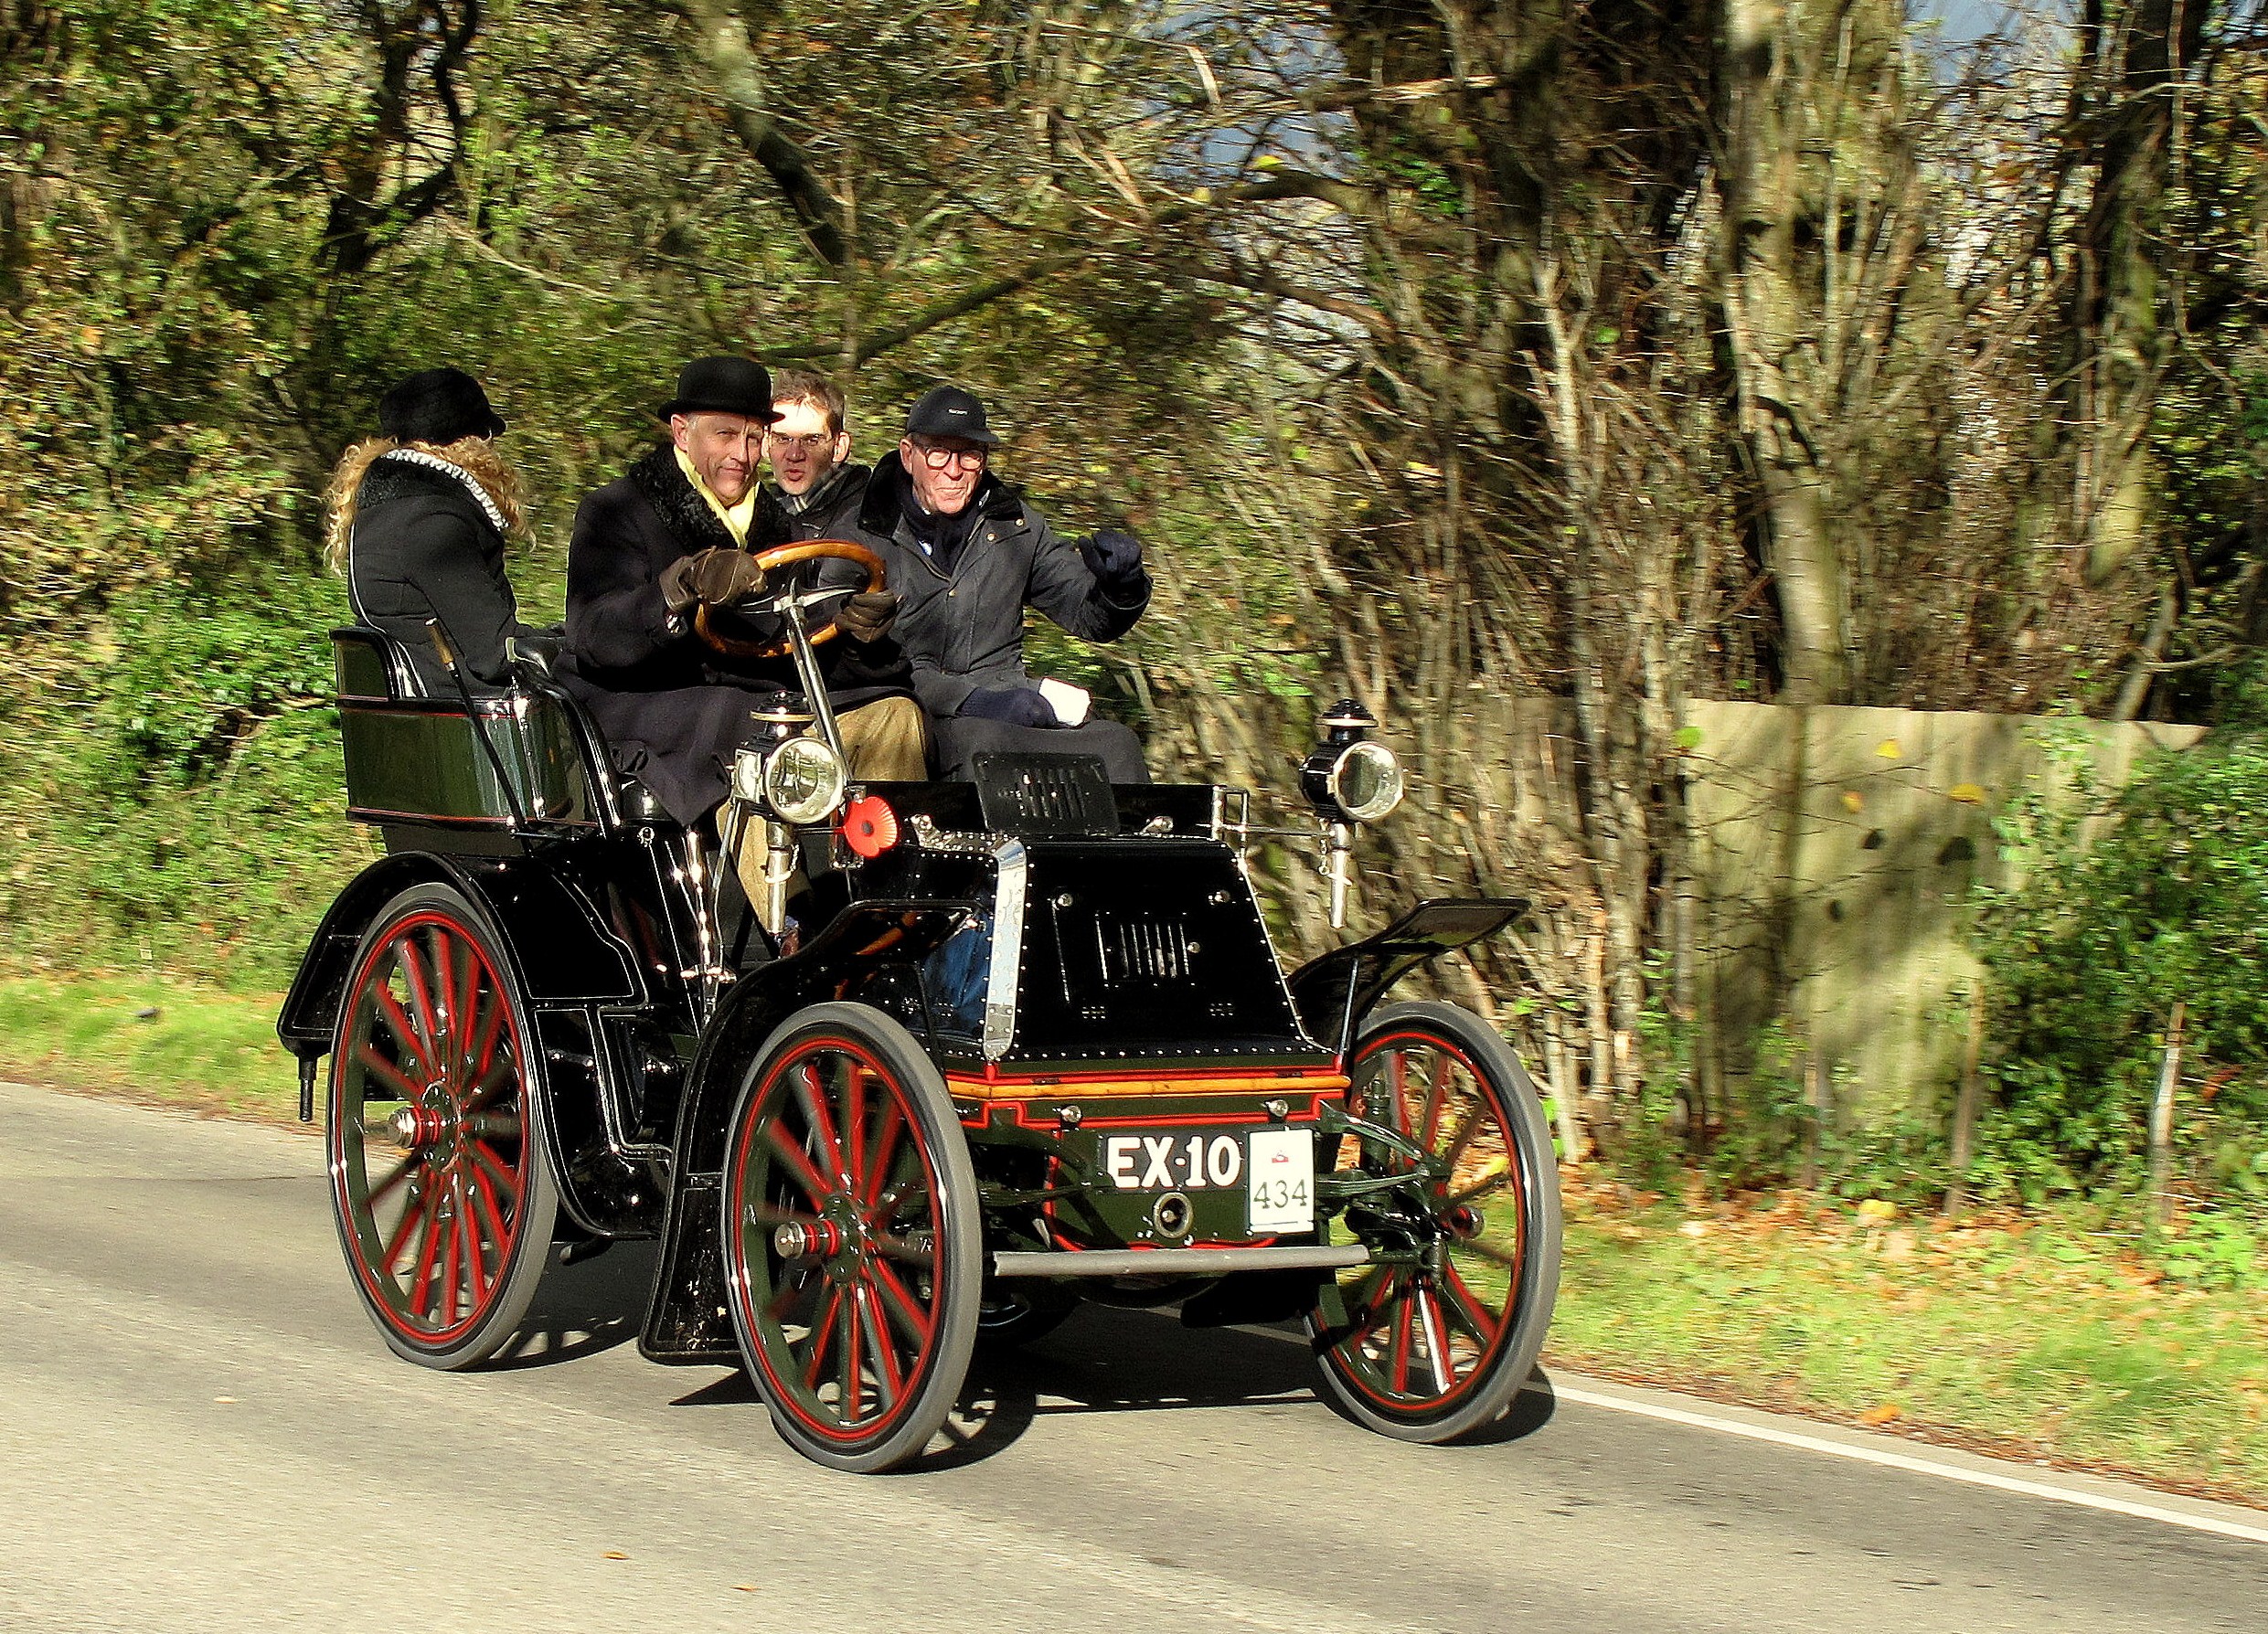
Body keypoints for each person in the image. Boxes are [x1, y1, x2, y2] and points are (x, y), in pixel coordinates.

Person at [562, 355, 925, 830]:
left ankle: (890, 892)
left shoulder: (779, 528)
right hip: (639, 706)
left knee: (895, 714)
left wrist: (853, 632)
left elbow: (792, 640)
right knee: (763, 731)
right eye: (726, 435)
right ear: (681, 432)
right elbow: (593, 636)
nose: (743, 454)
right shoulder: (617, 511)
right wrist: (678, 587)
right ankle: (778, 900)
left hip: (750, 703)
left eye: (755, 439)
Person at [848, 384, 1151, 782]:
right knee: (984, 746)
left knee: (1118, 745)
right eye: (938, 452)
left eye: (970, 455)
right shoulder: (862, 532)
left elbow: (1088, 615)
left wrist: (1121, 586)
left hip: (1010, 701)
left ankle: (1133, 845)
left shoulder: (1017, 526)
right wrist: (969, 700)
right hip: (909, 707)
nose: (954, 471)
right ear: (909, 455)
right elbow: (849, 658)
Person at [324, 367, 537, 695]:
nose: (493, 448)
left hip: (433, 710)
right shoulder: (433, 523)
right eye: (487, 438)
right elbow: (497, 654)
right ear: (468, 442)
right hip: (473, 716)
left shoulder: (382, 513)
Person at [762, 368, 868, 542]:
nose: (794, 455)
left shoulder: (869, 521)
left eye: (811, 441)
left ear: (839, 447)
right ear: (766, 444)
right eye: (782, 439)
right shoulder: (756, 518)